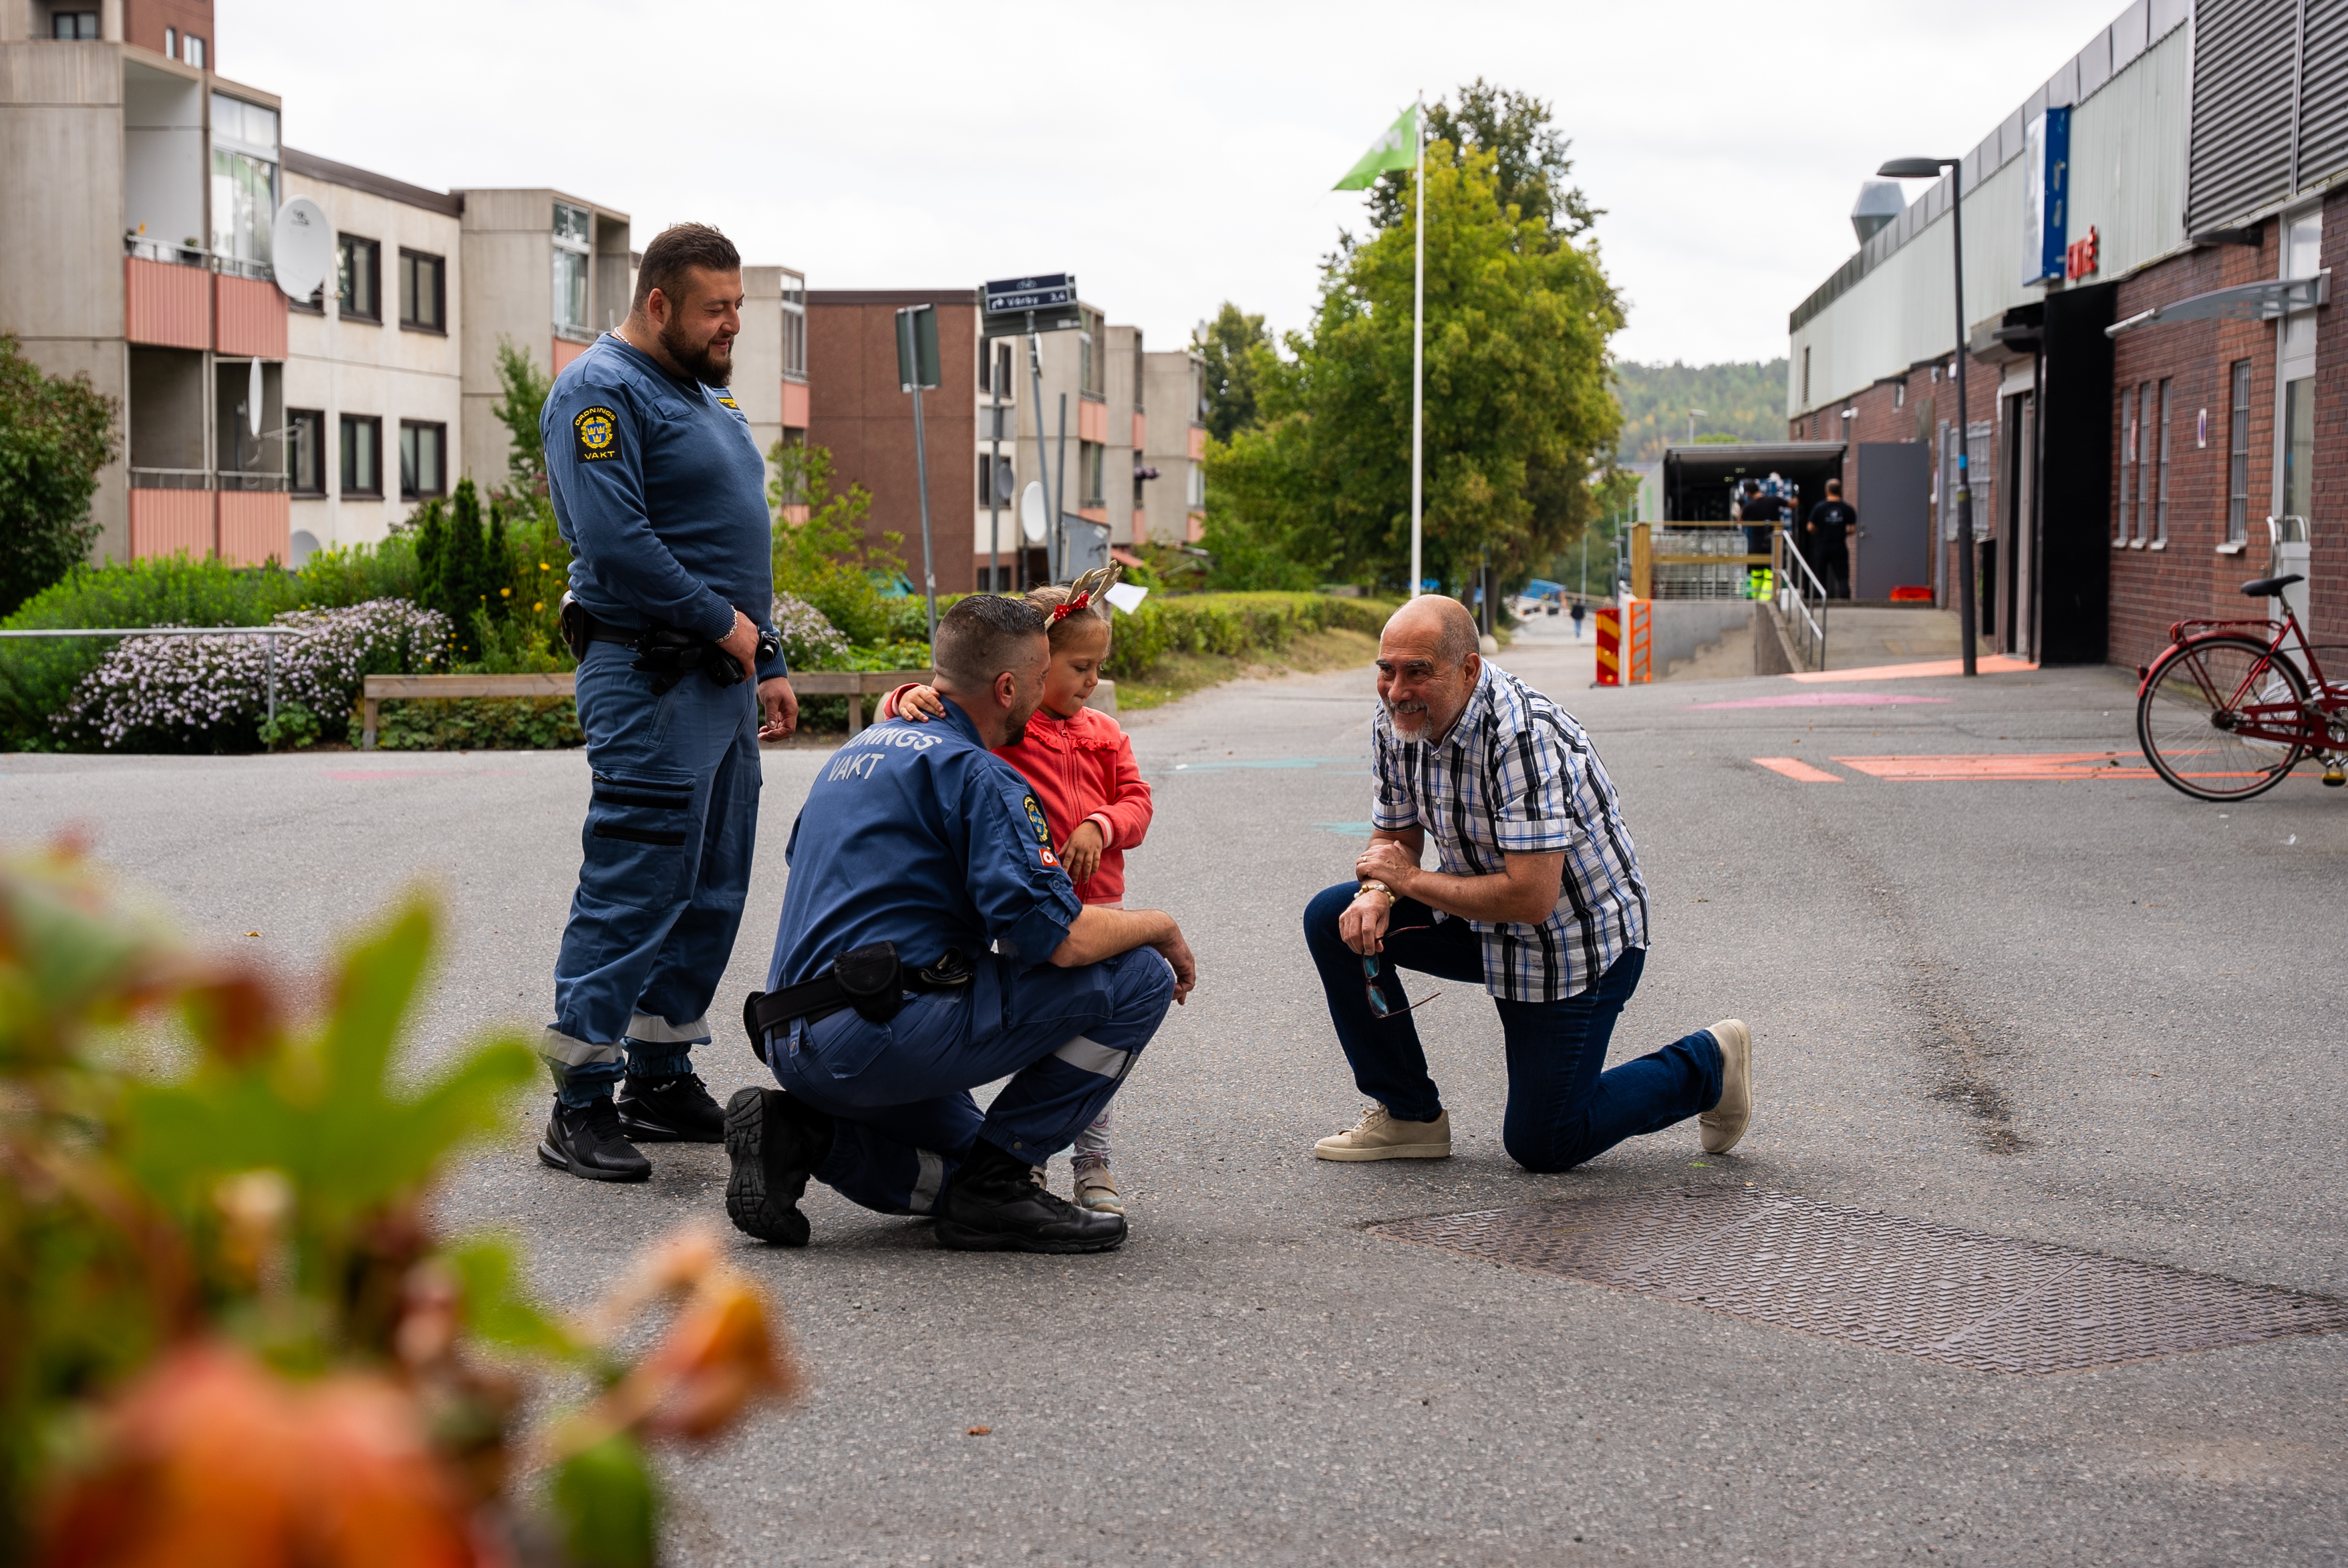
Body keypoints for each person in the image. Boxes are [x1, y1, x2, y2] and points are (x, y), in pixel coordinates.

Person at [727, 594, 1197, 1254]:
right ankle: (1000, 1185)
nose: (1045, 694)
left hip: (792, 1036)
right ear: (1007, 688)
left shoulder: (856, 753)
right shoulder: (980, 776)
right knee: (1140, 975)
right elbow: (1057, 941)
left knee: (966, 1160)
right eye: (1040, 679)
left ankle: (804, 1135)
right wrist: (1160, 924)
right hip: (877, 1035)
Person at [1302, 595, 1753, 1172]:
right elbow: (1395, 836)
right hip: (1478, 920)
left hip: (1570, 945)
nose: (1396, 689)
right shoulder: (1400, 717)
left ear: (1468, 669)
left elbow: (1531, 898)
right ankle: (1410, 1114)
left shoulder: (1523, 734)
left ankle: (1708, 1064)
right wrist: (1376, 892)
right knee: (1334, 919)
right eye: (1386, 670)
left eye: (1417, 671)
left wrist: (1406, 879)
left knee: (1545, 1141)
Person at [533, 222, 799, 1185]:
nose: (733, 325)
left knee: (711, 887)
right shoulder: (599, 392)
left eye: (738, 306)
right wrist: (725, 625)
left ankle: (656, 1074)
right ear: (658, 304)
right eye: (715, 309)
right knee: (635, 884)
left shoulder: (702, 390)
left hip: (720, 680)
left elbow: (727, 537)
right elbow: (616, 541)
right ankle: (578, 1100)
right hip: (649, 676)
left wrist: (764, 656)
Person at [879, 565, 1153, 1216]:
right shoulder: (1011, 726)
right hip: (1023, 907)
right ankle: (1018, 1156)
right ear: (1035, 667)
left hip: (1099, 906)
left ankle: (1093, 1161)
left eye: (1099, 668)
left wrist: (1100, 823)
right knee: (1033, 1028)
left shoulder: (1105, 732)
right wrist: (903, 697)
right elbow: (936, 710)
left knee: (1093, 1039)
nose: (1092, 681)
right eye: (1080, 667)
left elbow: (1137, 802)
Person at [1804, 479, 1856, 599]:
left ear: (1827, 491)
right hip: (1839, 547)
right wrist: (1841, 532)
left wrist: (1820, 532)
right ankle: (1845, 602)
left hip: (1822, 547)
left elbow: (1810, 527)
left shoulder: (1819, 507)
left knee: (1820, 576)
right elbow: (1853, 529)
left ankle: (1819, 602)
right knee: (1842, 577)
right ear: (1840, 491)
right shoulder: (1847, 508)